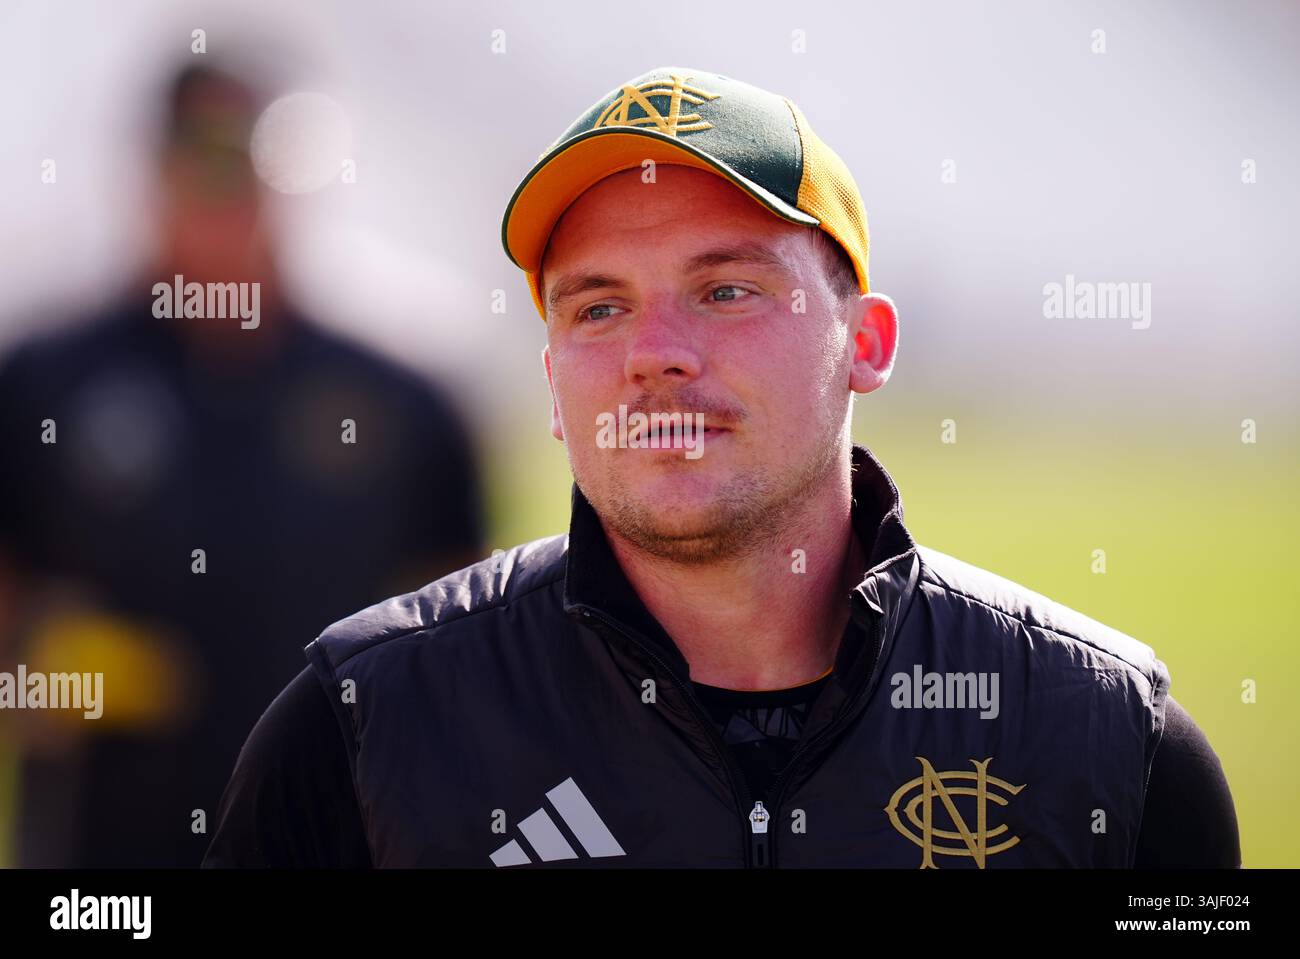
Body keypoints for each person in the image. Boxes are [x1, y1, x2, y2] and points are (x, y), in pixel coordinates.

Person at [202, 67, 1238, 868]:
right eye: (598, 306)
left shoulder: (1108, 737)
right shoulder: (359, 727)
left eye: (726, 290)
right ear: (555, 378)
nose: (654, 351)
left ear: (865, 342)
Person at [0, 63, 485, 866]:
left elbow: (464, 649)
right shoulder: (43, 378)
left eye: (253, 162)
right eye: (201, 158)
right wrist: (41, 671)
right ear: (154, 170)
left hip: (334, 841)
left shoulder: (402, 397)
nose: (225, 194)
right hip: (103, 868)